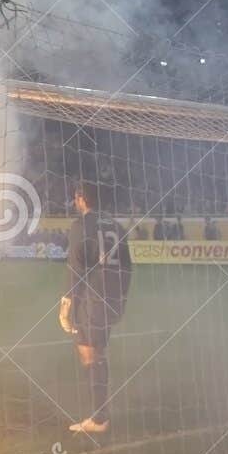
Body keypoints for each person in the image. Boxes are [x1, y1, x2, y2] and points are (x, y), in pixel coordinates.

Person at [59, 183, 131, 434]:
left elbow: (76, 267)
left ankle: (100, 418)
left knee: (92, 354)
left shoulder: (80, 226)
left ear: (81, 199)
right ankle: (99, 408)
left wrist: (66, 306)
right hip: (111, 297)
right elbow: (127, 266)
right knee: (91, 351)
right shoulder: (117, 226)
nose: (74, 201)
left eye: (76, 197)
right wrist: (122, 299)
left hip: (93, 299)